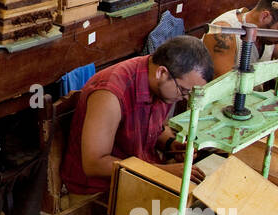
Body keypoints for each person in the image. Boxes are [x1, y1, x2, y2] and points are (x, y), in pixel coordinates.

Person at [60, 36, 214, 194]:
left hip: (141, 170)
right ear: (162, 72)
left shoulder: (162, 83)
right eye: (184, 91)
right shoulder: (110, 94)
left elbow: (153, 128)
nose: (186, 98)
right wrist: (161, 172)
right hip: (99, 189)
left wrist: (171, 144)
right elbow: (95, 164)